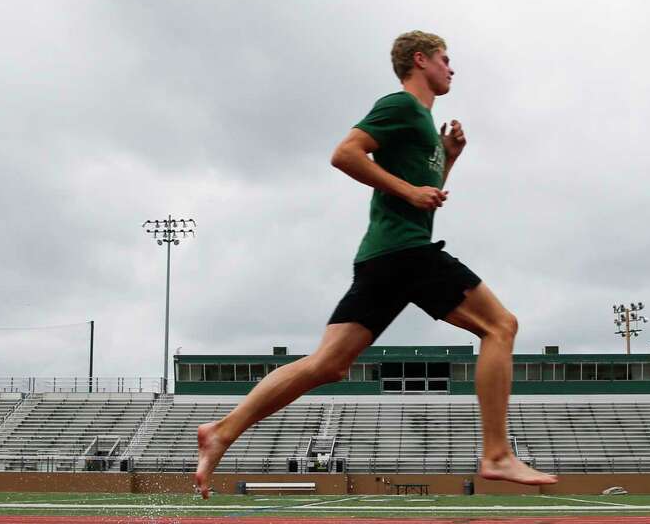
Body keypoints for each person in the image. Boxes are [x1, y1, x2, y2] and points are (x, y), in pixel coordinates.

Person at [194, 31, 558, 497]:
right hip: (404, 251)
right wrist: (408, 190)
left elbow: (422, 200)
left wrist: (447, 160)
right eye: (446, 59)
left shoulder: (425, 124)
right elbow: (344, 153)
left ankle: (222, 430)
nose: (452, 68)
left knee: (328, 364)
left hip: (384, 256)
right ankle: (496, 454)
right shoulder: (401, 105)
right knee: (500, 326)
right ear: (420, 60)